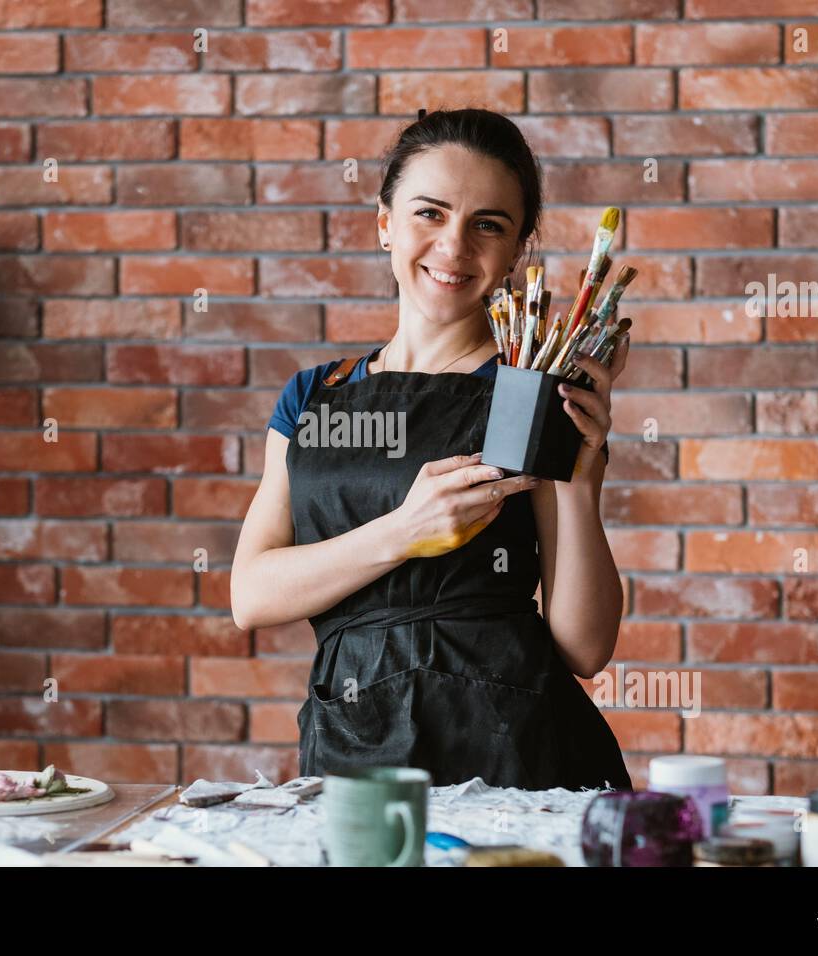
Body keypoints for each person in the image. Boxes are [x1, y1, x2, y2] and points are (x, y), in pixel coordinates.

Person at [231, 108, 632, 791]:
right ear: (385, 223)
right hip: (354, 737)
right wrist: (404, 532)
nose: (453, 246)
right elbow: (251, 593)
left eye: (488, 224)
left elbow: (585, 648)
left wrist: (580, 476)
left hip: (517, 751)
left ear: (515, 251)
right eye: (430, 213)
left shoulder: (528, 390)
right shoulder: (313, 396)